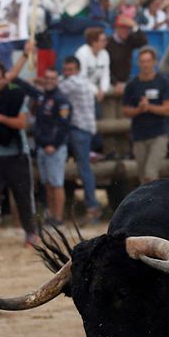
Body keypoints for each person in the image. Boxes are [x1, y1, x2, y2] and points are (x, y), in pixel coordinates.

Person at [0, 54, 36, 249]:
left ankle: (31, 233)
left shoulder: (16, 95)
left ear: (5, 78)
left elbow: (22, 123)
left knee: (23, 195)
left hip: (18, 153)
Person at [26, 65, 72, 225]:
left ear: (57, 80)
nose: (50, 81)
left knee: (57, 183)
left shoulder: (62, 100)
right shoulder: (41, 97)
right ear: (43, 80)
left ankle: (59, 217)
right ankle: (52, 215)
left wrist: (54, 144)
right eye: (47, 78)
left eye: (53, 78)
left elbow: (64, 126)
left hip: (55, 148)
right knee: (47, 183)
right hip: (42, 147)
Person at [59, 55, 102, 223]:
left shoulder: (73, 82)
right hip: (82, 129)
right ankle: (92, 208)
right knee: (84, 168)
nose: (67, 73)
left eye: (70, 70)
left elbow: (54, 88)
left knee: (84, 169)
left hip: (79, 129)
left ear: (76, 70)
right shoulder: (84, 80)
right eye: (66, 70)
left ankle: (93, 208)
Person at [122, 47, 169, 184]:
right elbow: (126, 111)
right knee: (142, 175)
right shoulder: (132, 85)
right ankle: (147, 203)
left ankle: (155, 203)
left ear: (154, 62)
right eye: (142, 61)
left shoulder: (163, 82)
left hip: (159, 134)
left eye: (148, 61)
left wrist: (148, 107)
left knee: (151, 173)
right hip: (139, 135)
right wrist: (139, 109)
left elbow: (167, 109)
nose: (145, 64)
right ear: (138, 63)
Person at [106, 15, 147, 93]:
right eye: (122, 28)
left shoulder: (129, 40)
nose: (125, 31)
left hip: (125, 80)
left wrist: (135, 26)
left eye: (128, 29)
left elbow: (143, 43)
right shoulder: (108, 43)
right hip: (110, 82)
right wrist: (115, 83)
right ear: (116, 29)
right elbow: (105, 67)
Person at [75, 26, 110, 102]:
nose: (106, 42)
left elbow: (105, 75)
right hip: (81, 88)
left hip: (97, 87)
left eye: (105, 40)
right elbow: (82, 78)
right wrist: (96, 91)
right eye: (103, 40)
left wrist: (103, 90)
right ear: (94, 42)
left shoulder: (105, 53)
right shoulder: (82, 54)